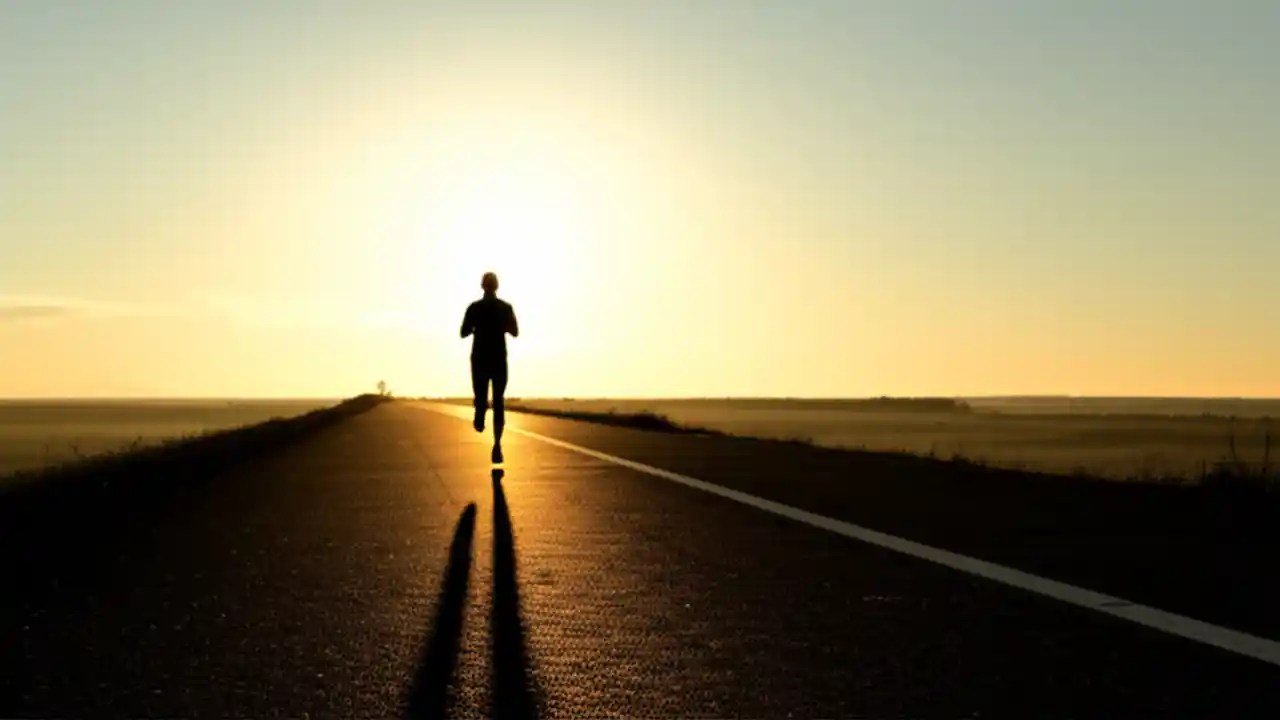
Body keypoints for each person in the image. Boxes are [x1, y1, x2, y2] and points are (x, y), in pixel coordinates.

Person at [460, 272, 518, 463]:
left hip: (480, 359)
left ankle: (479, 412)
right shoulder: (505, 308)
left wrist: (476, 328)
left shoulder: (475, 308)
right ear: (496, 286)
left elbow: (463, 332)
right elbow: (515, 332)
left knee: (482, 396)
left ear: (482, 286)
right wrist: (502, 326)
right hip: (498, 359)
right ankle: (497, 445)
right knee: (499, 402)